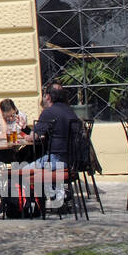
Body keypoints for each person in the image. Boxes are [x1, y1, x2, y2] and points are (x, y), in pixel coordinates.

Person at [20, 82, 79, 214]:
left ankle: (50, 200)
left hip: (57, 159)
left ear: (48, 97)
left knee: (26, 170)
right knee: (44, 167)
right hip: (72, 160)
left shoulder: (49, 112)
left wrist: (26, 136)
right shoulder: (70, 111)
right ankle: (58, 197)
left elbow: (32, 137)